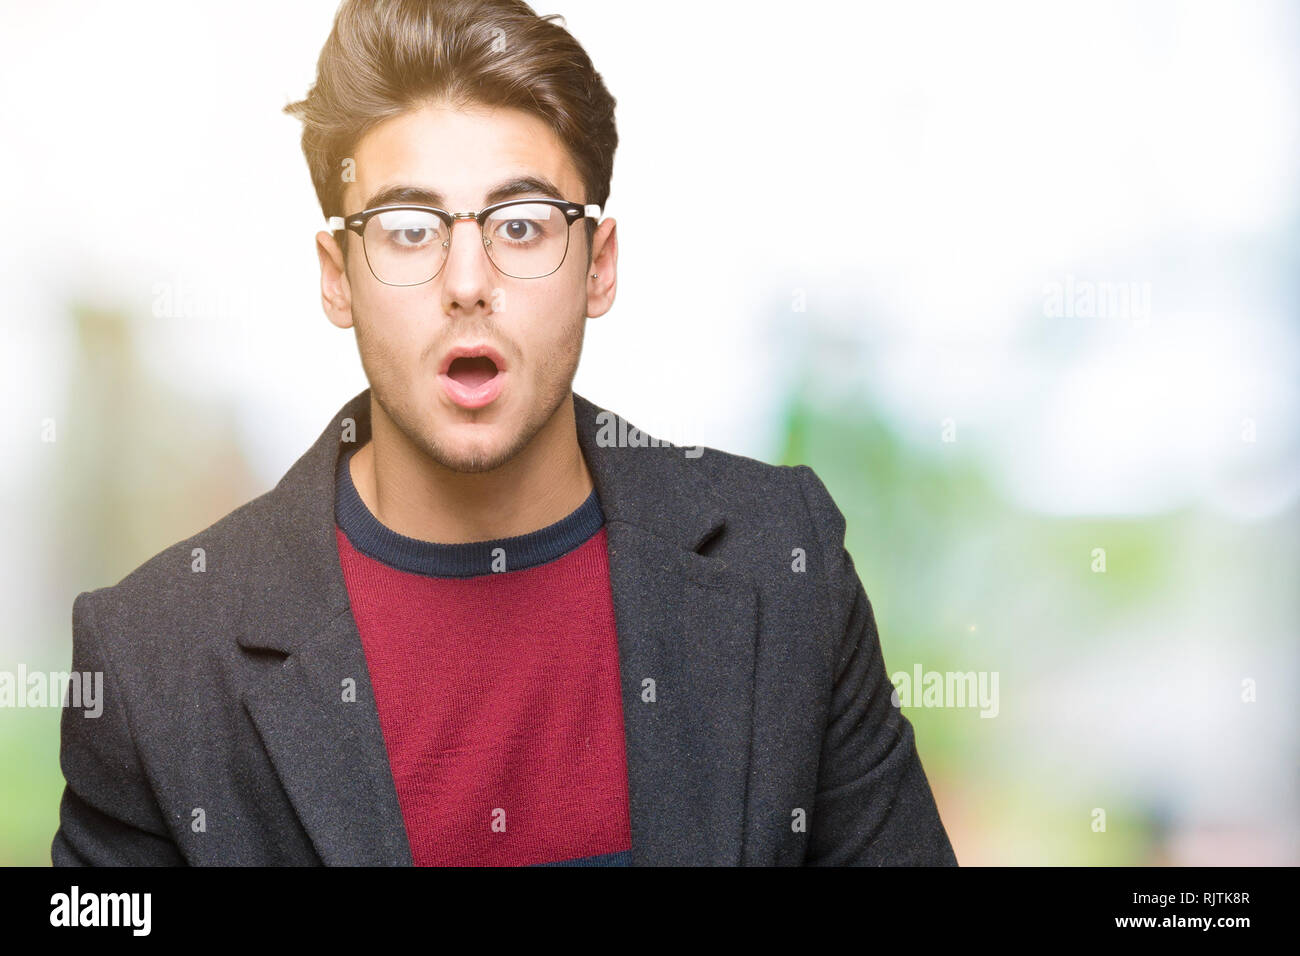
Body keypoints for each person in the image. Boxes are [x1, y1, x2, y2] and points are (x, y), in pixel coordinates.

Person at [51, 0, 957, 866]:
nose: (467, 280)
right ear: (338, 277)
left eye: (521, 225)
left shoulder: (782, 562)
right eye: (409, 230)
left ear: (599, 267)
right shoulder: (154, 662)